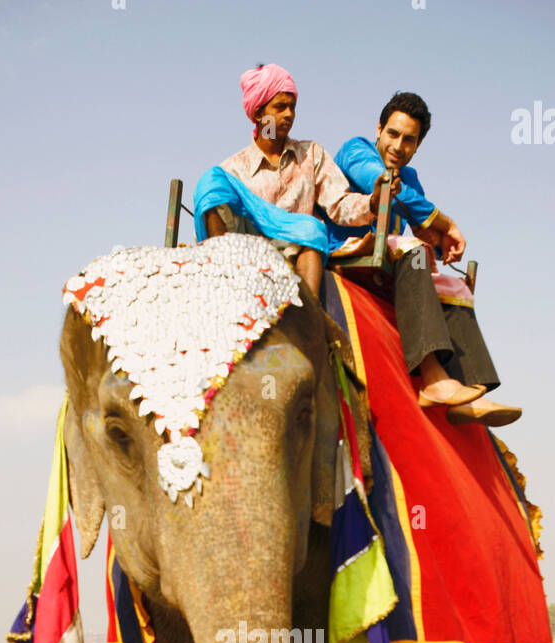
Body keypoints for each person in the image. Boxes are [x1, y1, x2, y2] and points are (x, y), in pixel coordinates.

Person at [201, 64, 457, 322]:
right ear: (258, 113)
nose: (289, 114)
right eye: (280, 107)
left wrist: (373, 202)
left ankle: (308, 321)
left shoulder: (311, 155)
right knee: (211, 183)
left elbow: (340, 203)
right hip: (248, 250)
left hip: (300, 248)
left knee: (312, 229)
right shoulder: (233, 170)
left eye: (292, 107)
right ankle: (222, 286)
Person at [330, 92, 521, 426]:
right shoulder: (356, 151)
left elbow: (416, 220)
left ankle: (470, 387)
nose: (398, 146)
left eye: (409, 140)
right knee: (412, 252)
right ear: (378, 128)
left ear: (417, 146)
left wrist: (437, 244)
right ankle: (433, 379)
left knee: (452, 284)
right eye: (392, 134)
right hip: (348, 245)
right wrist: (445, 225)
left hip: (388, 250)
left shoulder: (413, 177)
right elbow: (389, 187)